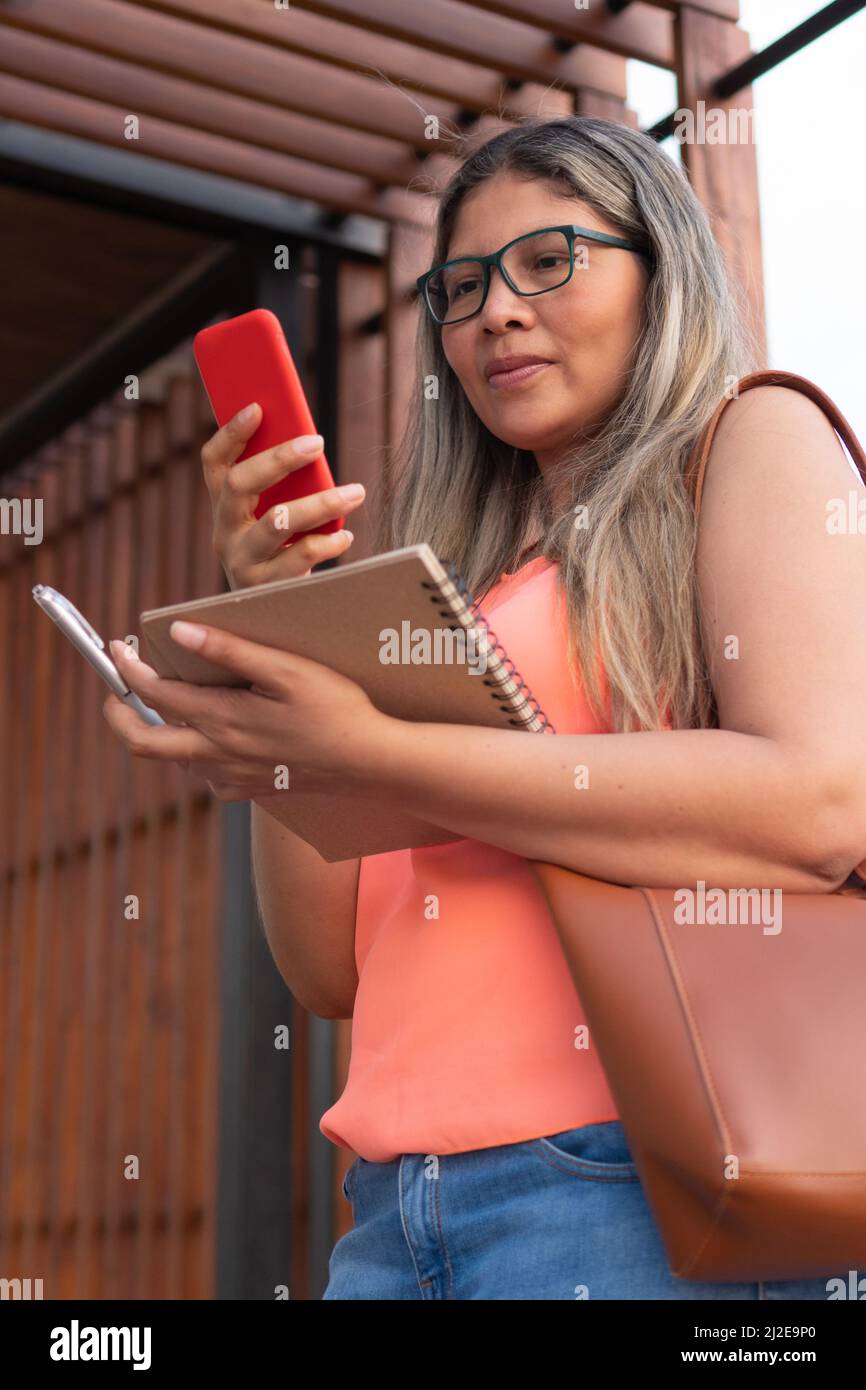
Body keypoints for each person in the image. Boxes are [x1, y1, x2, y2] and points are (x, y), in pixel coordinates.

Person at [103, 116, 866, 1300]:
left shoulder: (750, 438)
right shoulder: (452, 588)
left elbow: (822, 802)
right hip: (396, 1211)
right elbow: (327, 972)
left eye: (548, 259)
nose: (493, 311)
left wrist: (386, 755)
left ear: (659, 271)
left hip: (633, 1187)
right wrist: (280, 676)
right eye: (458, 287)